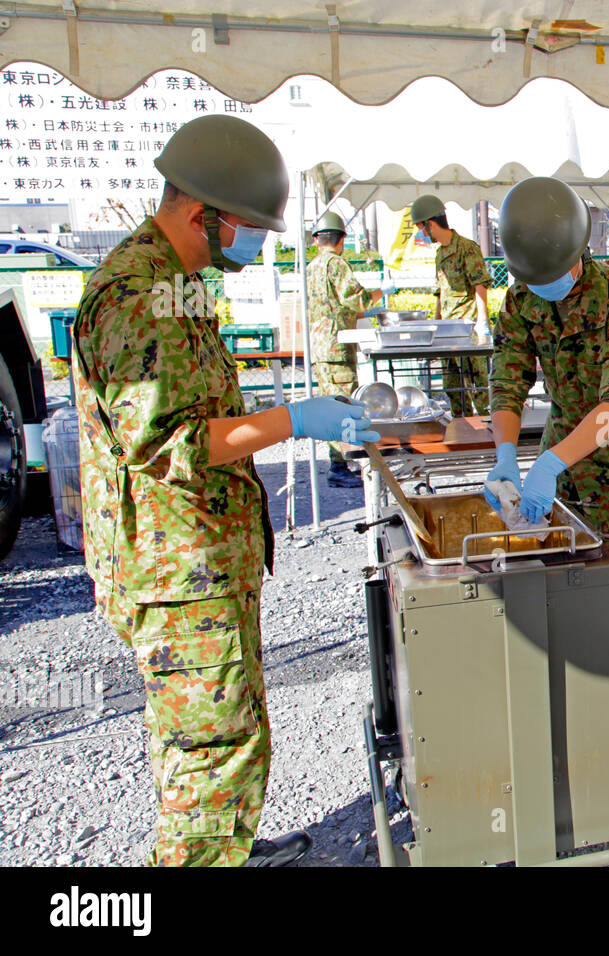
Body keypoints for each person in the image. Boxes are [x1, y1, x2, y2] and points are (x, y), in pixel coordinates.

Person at [72, 115, 380, 866]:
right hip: (175, 573)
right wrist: (294, 419)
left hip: (199, 564)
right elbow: (168, 442)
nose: (260, 243)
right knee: (212, 747)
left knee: (220, 732)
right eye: (249, 227)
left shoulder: (176, 285)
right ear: (199, 212)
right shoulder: (136, 294)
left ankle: (225, 847)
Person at [483, 177, 609, 772]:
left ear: (578, 254)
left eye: (549, 276)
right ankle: (582, 699)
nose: (539, 292)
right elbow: (508, 380)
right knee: (567, 590)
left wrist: (553, 460)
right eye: (528, 280)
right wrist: (508, 453)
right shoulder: (521, 300)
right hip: (562, 463)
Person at [306, 210, 388, 487]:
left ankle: (337, 464)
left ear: (317, 240)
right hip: (336, 347)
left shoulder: (311, 267)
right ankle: (341, 466)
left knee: (330, 405)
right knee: (343, 408)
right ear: (341, 240)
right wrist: (380, 293)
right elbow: (356, 299)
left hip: (319, 346)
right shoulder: (336, 265)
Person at [409, 194, 492, 417]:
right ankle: (462, 433)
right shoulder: (440, 253)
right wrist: (436, 324)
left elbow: (480, 286)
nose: (422, 233)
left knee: (478, 387)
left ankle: (489, 438)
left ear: (431, 224)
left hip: (468, 330)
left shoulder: (467, 248)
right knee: (453, 387)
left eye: (421, 228)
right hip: (447, 331)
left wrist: (482, 322)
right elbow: (440, 293)